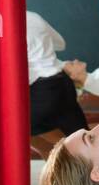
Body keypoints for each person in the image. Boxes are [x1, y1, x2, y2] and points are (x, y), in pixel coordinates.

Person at [27, 11, 88, 144]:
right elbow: (60, 44)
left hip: (42, 92)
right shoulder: (34, 17)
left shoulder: (1, 27)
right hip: (64, 84)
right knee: (84, 140)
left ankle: (64, 149)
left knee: (11, 127)